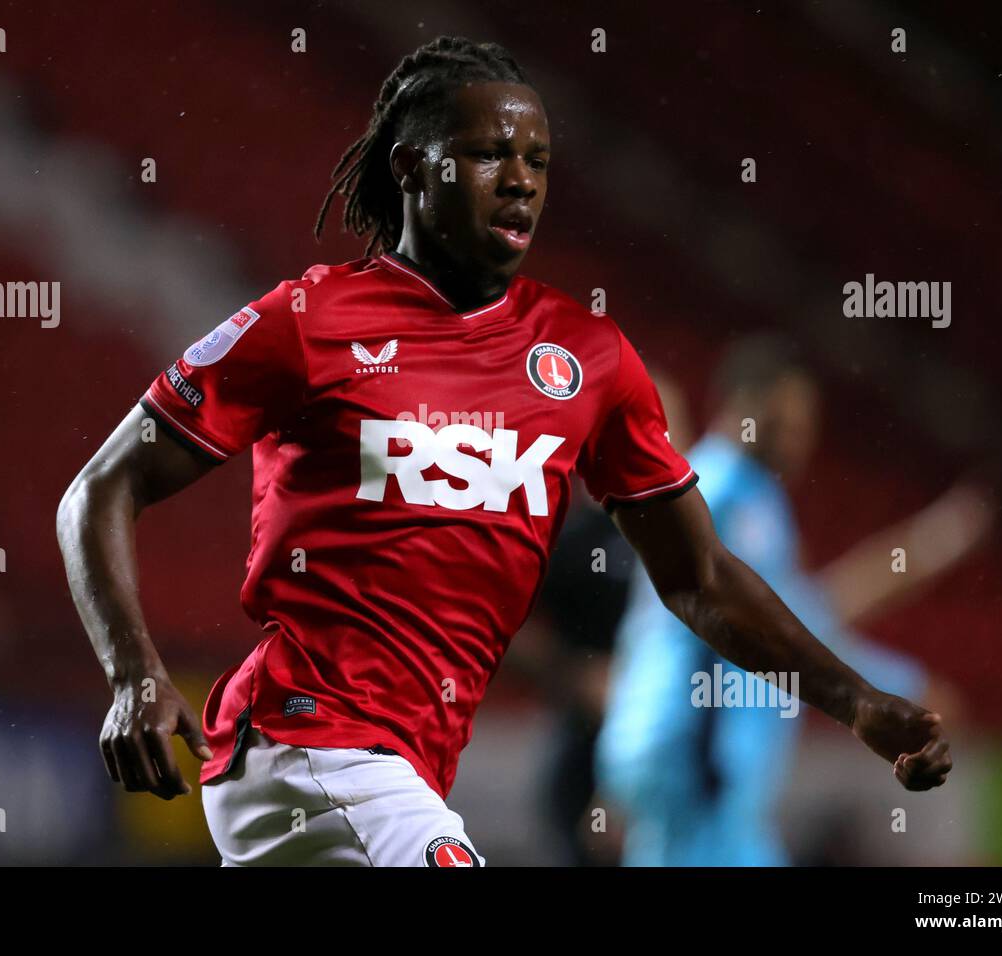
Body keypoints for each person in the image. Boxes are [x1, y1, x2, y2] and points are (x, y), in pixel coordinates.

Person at [56, 36, 951, 868]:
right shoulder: (308, 322)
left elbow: (701, 578)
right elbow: (100, 491)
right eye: (489, 155)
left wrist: (857, 701)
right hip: (303, 748)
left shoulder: (589, 360)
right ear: (412, 166)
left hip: (405, 769)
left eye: (537, 163)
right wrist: (134, 674)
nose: (520, 181)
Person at [596, 335, 989, 866]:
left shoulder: (701, 486)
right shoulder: (732, 491)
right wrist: (896, 687)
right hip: (700, 754)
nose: (799, 440)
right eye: (786, 422)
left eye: (806, 426)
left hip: (668, 750)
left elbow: (795, 611)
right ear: (743, 406)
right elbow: (773, 620)